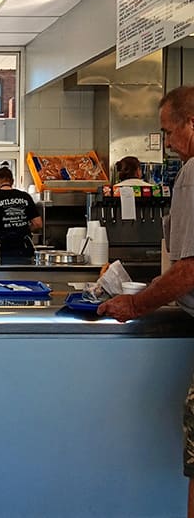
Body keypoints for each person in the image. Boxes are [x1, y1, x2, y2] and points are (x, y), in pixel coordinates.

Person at [98, 86, 194, 518]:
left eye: (169, 132)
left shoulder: (193, 172)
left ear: (191, 124)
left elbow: (190, 269)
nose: (168, 144)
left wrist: (136, 305)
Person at [0, 166, 42, 264]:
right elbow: (38, 224)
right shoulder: (25, 197)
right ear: (12, 181)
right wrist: (22, 229)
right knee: (22, 278)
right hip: (22, 251)